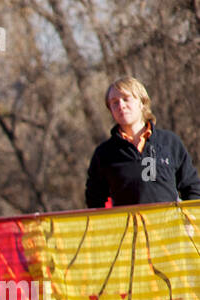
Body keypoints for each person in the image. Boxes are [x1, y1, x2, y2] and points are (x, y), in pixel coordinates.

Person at [85, 76, 200, 209]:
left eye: (126, 99)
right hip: (128, 229)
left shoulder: (170, 142)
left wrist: (190, 222)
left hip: (169, 228)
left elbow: (192, 188)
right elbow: (94, 202)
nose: (121, 105)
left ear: (141, 103)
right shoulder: (104, 154)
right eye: (114, 102)